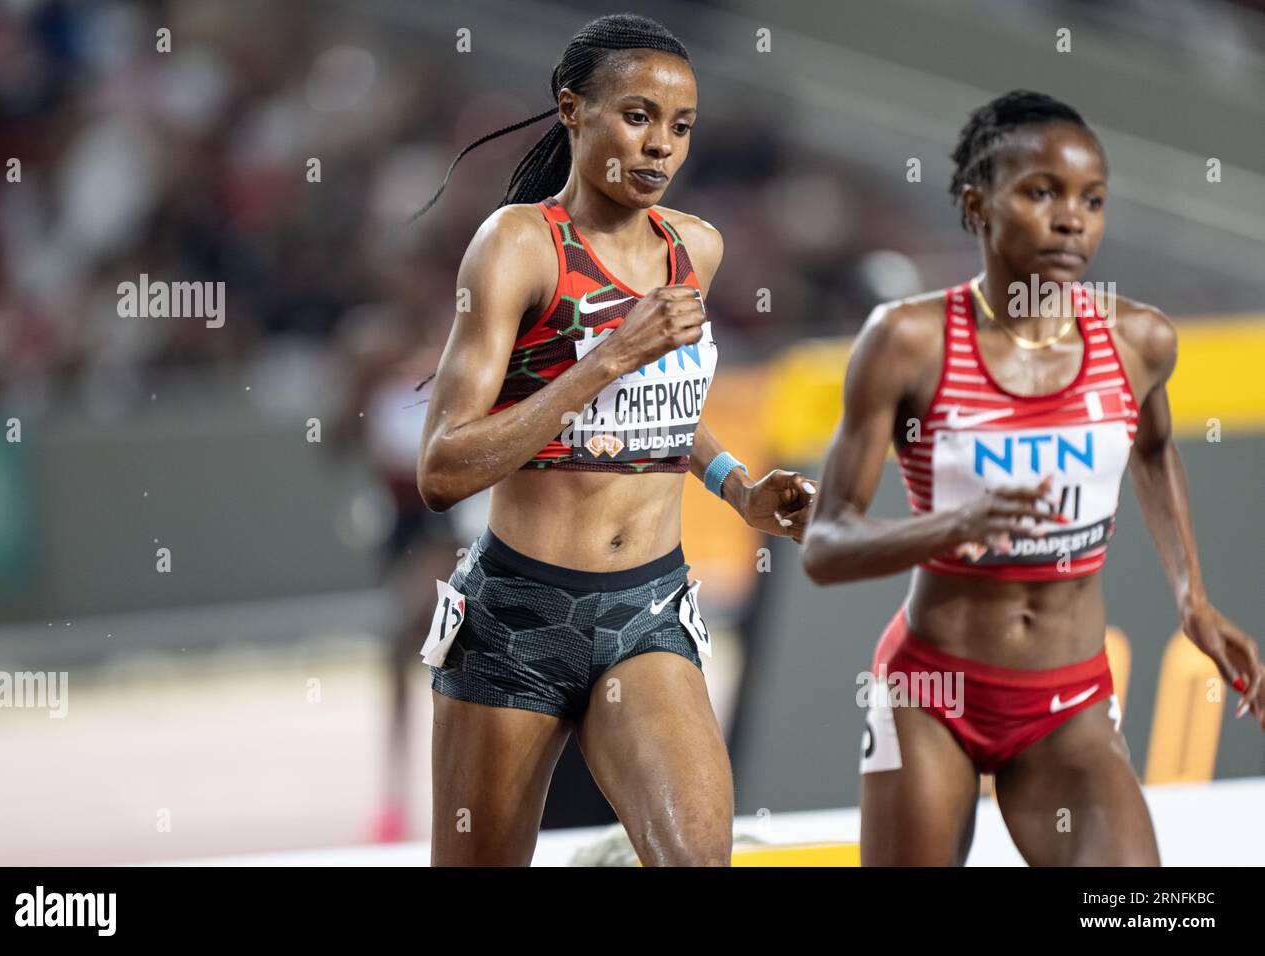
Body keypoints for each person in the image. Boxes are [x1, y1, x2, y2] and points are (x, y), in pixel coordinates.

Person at [800, 90, 1265, 866]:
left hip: (1069, 702)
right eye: (1041, 192)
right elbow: (824, 545)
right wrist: (953, 527)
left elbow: (1153, 453)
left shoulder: (1141, 340)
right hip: (930, 694)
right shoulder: (907, 342)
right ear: (978, 205)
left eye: (1092, 199)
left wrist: (1193, 599)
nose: (1071, 217)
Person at [413, 13, 817, 866]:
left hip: (649, 612)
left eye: (680, 127)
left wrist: (737, 487)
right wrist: (610, 355)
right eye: (637, 115)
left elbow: (663, 411)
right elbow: (444, 467)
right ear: (572, 110)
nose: (660, 146)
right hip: (517, 620)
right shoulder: (519, 246)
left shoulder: (694, 248)